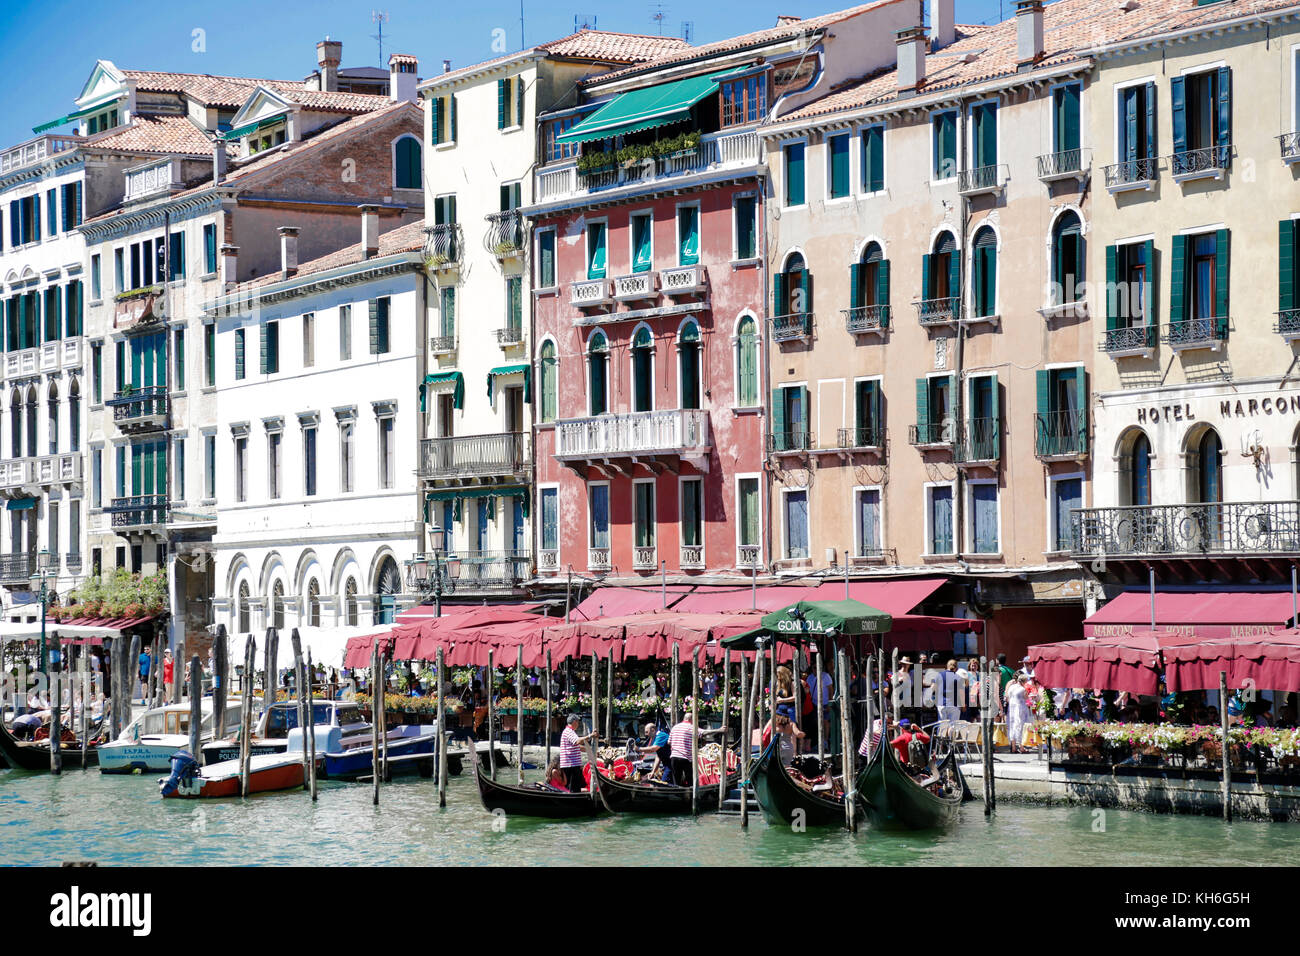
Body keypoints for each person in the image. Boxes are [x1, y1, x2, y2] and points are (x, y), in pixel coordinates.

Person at [559, 714, 597, 792]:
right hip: (570, 765)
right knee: (572, 788)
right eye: (578, 722)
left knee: (575, 786)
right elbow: (578, 741)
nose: (578, 724)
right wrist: (591, 735)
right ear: (574, 722)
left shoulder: (570, 732)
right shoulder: (568, 731)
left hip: (572, 765)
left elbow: (578, 747)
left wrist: (592, 751)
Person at [1005, 675, 1032, 753]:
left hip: (1012, 708)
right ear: (1024, 682)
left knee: (1012, 726)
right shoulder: (1022, 689)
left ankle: (1013, 747)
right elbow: (1027, 699)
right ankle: (1021, 747)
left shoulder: (1011, 687)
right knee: (1020, 726)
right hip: (1020, 709)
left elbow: (1007, 697)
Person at [935, 658, 964, 728]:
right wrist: (963, 705)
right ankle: (951, 739)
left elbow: (934, 688)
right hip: (954, 705)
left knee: (942, 727)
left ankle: (941, 738)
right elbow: (961, 693)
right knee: (953, 727)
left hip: (941, 704)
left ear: (947, 666)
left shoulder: (939, 675)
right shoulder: (958, 677)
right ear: (956, 668)